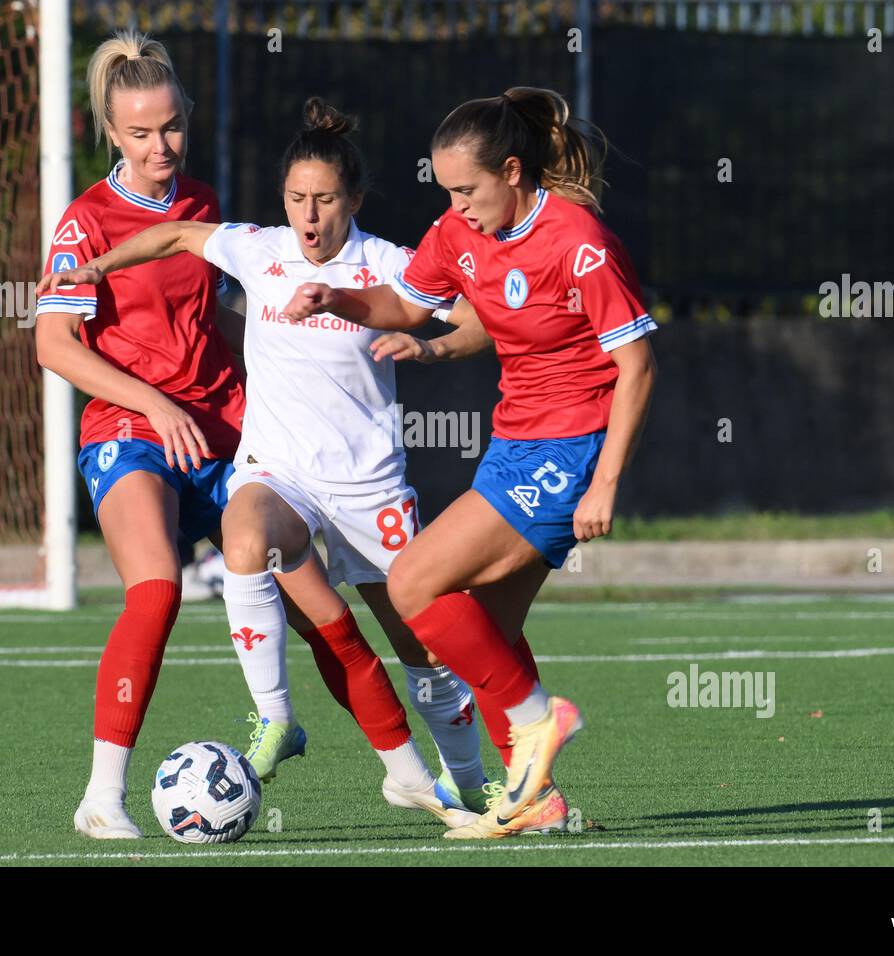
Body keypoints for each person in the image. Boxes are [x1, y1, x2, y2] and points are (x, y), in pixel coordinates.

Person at [39, 98, 499, 827]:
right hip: (274, 471)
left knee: (423, 649)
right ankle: (275, 718)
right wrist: (99, 262)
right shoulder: (260, 247)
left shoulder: (389, 265)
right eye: (295, 199)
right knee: (245, 536)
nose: (308, 215)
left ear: (354, 198)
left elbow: (479, 318)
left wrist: (426, 344)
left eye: (323, 200)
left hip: (366, 486)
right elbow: (175, 238)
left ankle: (461, 780)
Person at [278, 87, 659, 837]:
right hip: (513, 444)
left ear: (513, 171)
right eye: (448, 191)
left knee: (415, 582)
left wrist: (605, 483)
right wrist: (336, 299)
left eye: (467, 190)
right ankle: (538, 803)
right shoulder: (459, 231)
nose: (457, 206)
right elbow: (406, 305)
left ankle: (536, 722)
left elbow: (639, 364)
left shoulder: (578, 241)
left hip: (569, 448)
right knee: (484, 626)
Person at [34, 30, 246, 839]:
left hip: (220, 423)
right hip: (131, 428)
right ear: (112, 134)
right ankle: (101, 797)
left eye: (172, 128)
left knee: (314, 587)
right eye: (141, 133)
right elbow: (54, 345)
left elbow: (219, 315)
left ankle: (420, 777)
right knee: (156, 586)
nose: (161, 146)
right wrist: (155, 406)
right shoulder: (84, 222)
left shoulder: (203, 203)